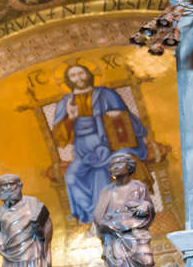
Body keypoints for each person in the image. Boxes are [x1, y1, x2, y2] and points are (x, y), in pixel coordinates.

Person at [50, 64, 149, 224]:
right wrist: (71, 118)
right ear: (68, 80)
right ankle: (92, 217)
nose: (78, 78)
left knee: (105, 172)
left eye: (81, 73)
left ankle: (112, 217)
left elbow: (127, 119)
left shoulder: (106, 94)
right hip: (83, 150)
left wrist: (117, 116)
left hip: (109, 146)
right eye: (73, 75)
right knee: (71, 177)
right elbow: (59, 138)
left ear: (88, 74)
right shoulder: (66, 102)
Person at [93, 152, 162, 267]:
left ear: (129, 166)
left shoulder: (139, 187)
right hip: (115, 238)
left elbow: (149, 208)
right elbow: (98, 216)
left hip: (135, 235)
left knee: (146, 263)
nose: (114, 167)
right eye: (112, 165)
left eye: (119, 163)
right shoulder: (107, 191)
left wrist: (145, 206)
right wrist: (107, 226)